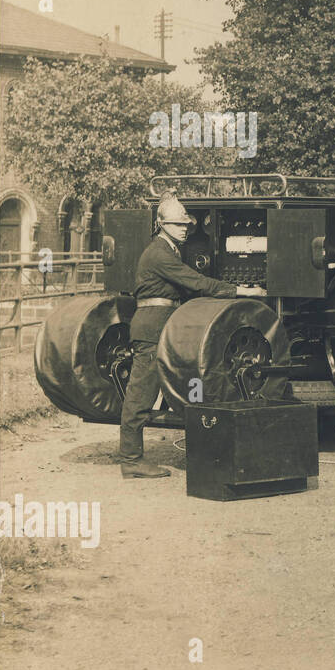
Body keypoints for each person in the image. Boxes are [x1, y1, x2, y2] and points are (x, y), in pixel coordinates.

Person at [117, 193, 265, 478]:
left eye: (186, 224)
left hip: (163, 325)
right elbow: (195, 282)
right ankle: (131, 459)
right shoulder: (160, 252)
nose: (184, 228)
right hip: (151, 329)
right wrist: (244, 291)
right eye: (177, 224)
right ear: (162, 225)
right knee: (140, 395)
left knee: (167, 389)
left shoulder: (170, 249)